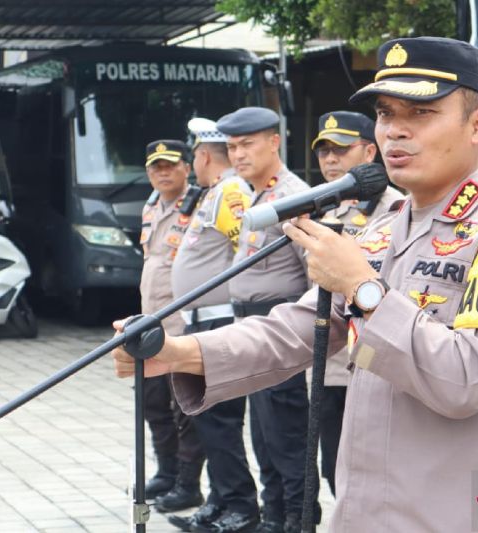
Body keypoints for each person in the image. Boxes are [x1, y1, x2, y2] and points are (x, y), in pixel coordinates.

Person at [114, 37, 478, 532]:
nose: (396, 130)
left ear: (477, 125)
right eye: (386, 112)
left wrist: (362, 287)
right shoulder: (382, 230)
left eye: (421, 113)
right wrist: (178, 352)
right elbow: (292, 330)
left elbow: (466, 379)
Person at [217, 107, 317, 533]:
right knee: (263, 439)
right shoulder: (251, 195)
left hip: (279, 332)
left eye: (247, 144)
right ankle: (274, 518)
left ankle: (299, 522)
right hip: (250, 332)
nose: (238, 155)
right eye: (232, 147)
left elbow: (317, 273)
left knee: (288, 441)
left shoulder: (294, 197)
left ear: (274, 142)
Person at [164, 120, 259, 533]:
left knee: (219, 422)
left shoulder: (232, 192)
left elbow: (248, 250)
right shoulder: (215, 192)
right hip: (202, 323)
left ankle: (239, 507)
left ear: (202, 156)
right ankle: (221, 501)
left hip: (219, 323)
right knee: (208, 420)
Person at [310, 110, 404, 496]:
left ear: (369, 153)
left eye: (341, 149)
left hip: (373, 363)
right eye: (324, 151)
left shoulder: (396, 209)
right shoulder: (323, 208)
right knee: (334, 471)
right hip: (327, 364)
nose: (330, 159)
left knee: (376, 477)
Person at [138, 140, 204, 510]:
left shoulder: (198, 205)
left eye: (169, 165)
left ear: (186, 168)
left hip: (181, 324)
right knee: (154, 405)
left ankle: (188, 481)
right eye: (155, 167)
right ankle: (165, 472)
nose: (162, 173)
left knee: (184, 409)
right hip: (150, 320)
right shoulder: (151, 206)